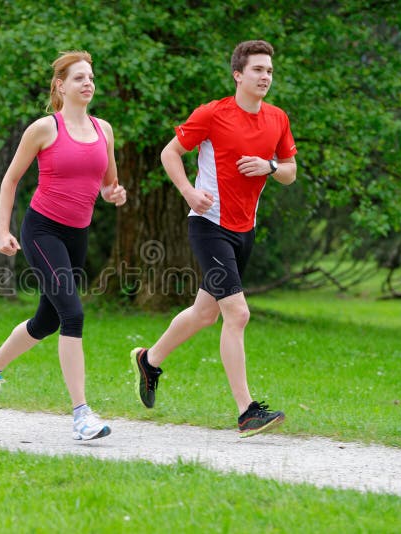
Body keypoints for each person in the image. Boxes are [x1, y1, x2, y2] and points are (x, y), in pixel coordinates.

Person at [130, 40, 297, 438]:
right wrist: (188, 192)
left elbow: (290, 171)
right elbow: (170, 153)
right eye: (258, 70)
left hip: (244, 231)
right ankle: (247, 412)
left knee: (205, 314)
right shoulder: (213, 114)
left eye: (269, 71)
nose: (265, 77)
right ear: (238, 74)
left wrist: (269, 166)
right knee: (237, 314)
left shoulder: (277, 119)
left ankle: (149, 361)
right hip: (209, 226)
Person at [0, 50, 126, 441]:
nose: (88, 84)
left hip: (77, 234)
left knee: (48, 320)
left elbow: (108, 184)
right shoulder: (44, 129)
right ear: (61, 85)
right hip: (42, 231)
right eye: (79, 78)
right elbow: (10, 180)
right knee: (73, 314)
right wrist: (2, 231)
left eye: (91, 78)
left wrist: (114, 193)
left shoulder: (104, 130)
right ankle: (81, 415)